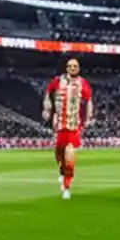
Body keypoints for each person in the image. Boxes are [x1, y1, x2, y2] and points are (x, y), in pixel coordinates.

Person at [42, 58, 92, 200]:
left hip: (74, 125)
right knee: (59, 153)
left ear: (79, 68)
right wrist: (47, 109)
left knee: (70, 155)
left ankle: (66, 185)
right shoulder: (58, 81)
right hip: (59, 124)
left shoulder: (83, 83)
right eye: (70, 66)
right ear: (66, 68)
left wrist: (88, 117)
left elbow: (89, 100)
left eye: (75, 66)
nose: (72, 68)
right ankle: (61, 169)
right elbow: (48, 93)